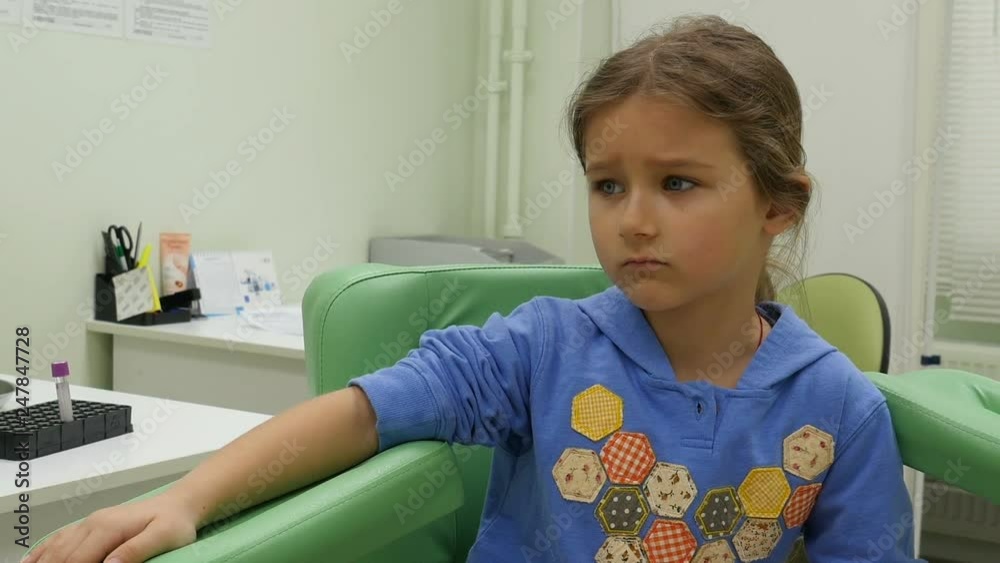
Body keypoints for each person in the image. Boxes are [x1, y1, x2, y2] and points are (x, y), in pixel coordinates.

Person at [24, 15, 919, 563]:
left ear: (778, 205)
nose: (632, 220)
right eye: (608, 185)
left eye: (678, 183)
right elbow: (361, 411)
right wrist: (184, 498)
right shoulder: (542, 347)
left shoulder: (839, 407)